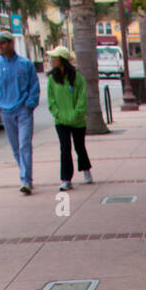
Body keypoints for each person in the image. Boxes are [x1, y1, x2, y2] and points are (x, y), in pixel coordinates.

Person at [0, 29, 40, 195]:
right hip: (6, 111)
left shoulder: (25, 64)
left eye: (3, 43)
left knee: (24, 144)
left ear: (11, 43)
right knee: (16, 147)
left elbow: (34, 86)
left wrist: (29, 104)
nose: (0, 46)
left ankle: (26, 180)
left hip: (23, 110)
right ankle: (24, 174)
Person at [46, 46, 93, 191]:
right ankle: (66, 179)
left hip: (77, 121)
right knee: (65, 148)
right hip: (61, 121)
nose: (52, 60)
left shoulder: (77, 77)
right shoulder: (52, 79)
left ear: (62, 60)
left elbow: (82, 97)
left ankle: (86, 169)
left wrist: (77, 113)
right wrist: (57, 113)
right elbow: (51, 99)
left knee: (79, 147)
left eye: (54, 57)